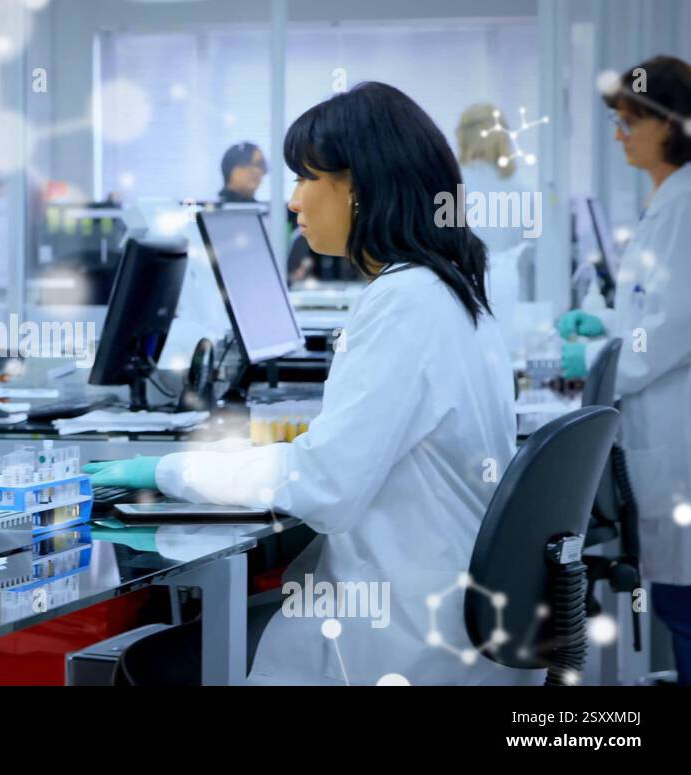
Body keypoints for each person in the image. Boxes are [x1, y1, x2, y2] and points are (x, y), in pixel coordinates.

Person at [87, 83, 539, 686]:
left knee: (145, 663)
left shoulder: (406, 301)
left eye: (307, 179)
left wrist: (169, 470)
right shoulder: (448, 290)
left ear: (361, 187)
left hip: (400, 638)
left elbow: (325, 484)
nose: (294, 201)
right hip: (447, 613)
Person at [558, 55, 691, 685]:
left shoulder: (687, 202)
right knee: (677, 600)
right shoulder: (669, 198)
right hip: (664, 424)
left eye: (628, 121)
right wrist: (607, 329)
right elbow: (652, 312)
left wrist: (603, 359)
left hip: (678, 430)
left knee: (685, 605)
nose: (619, 135)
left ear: (671, 123)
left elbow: (672, 327)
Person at [456, 104, 532, 329]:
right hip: (514, 313)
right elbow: (532, 263)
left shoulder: (449, 189)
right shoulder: (523, 193)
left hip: (464, 311)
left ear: (463, 137)